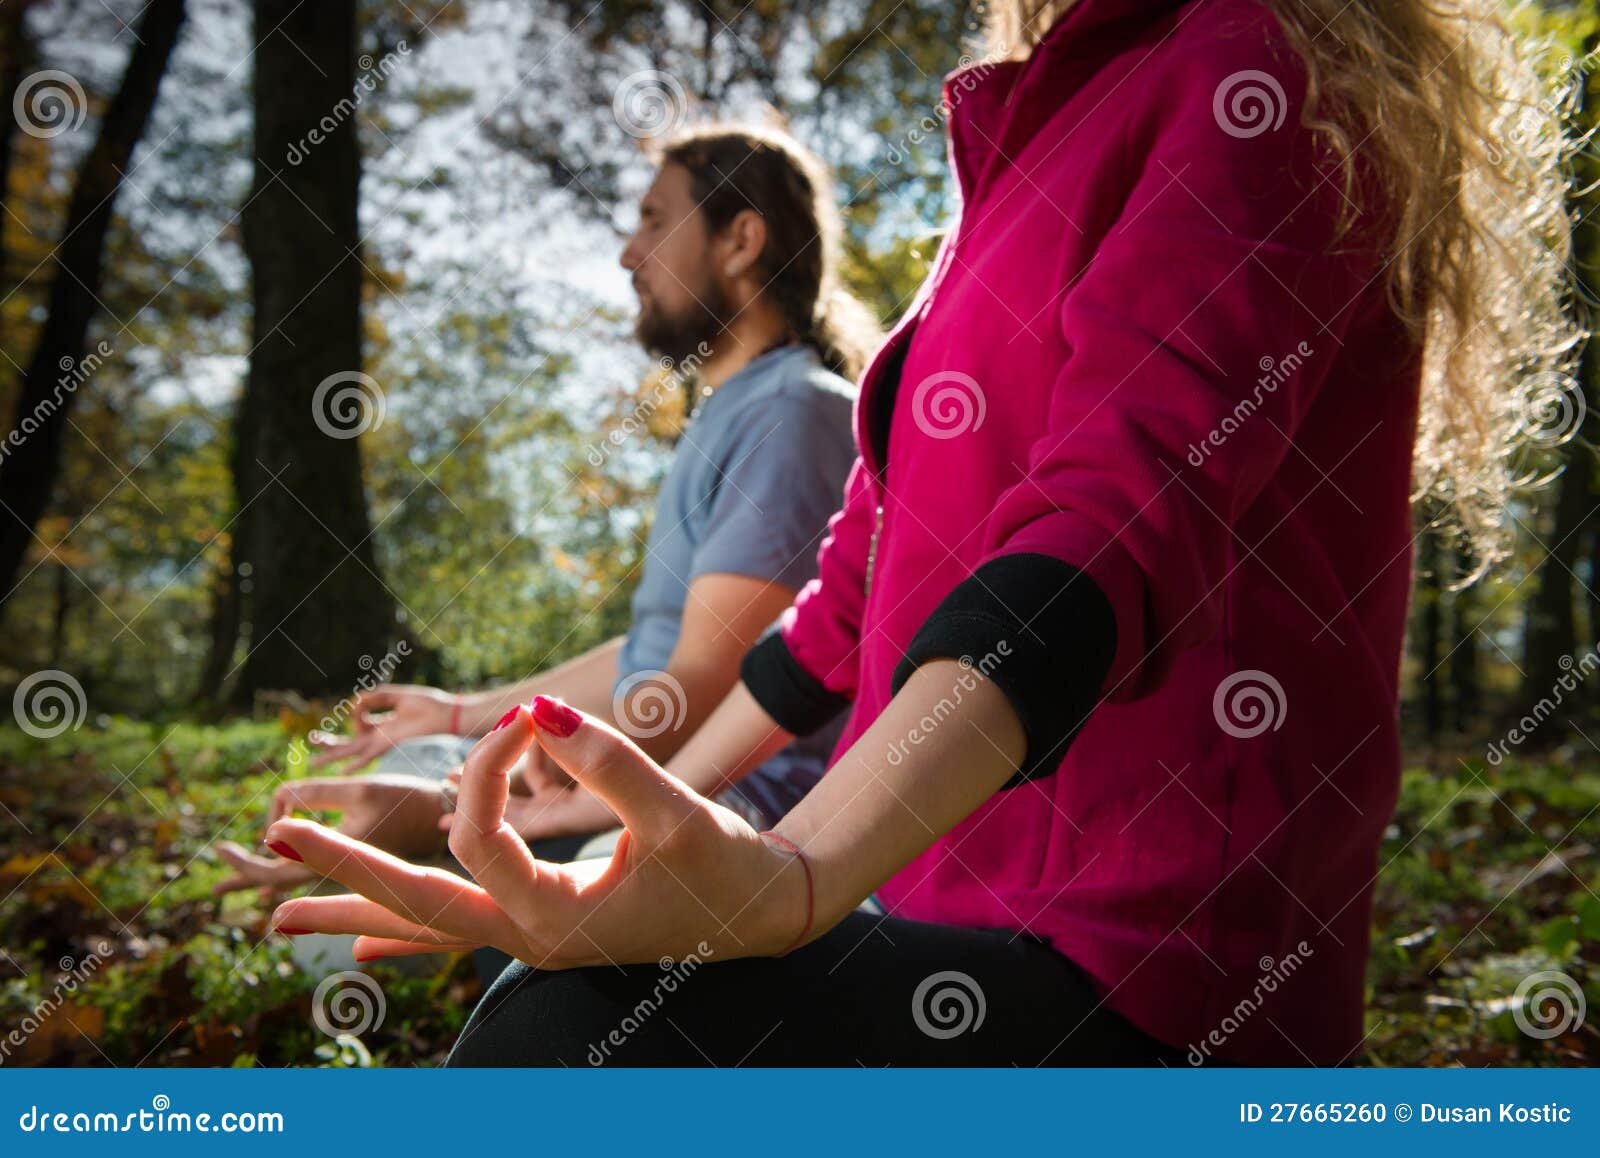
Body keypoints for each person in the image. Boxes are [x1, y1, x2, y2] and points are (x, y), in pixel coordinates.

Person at [256, 0, 1574, 1065]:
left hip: (1151, 974)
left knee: (571, 1032)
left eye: (651, 222)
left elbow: (1113, 522)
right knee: (553, 971)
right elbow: (829, 623)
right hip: (928, 911)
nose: (622, 253)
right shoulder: (1017, 145)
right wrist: (621, 840)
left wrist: (797, 873)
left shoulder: (1256, 58)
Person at [212, 124, 878, 896]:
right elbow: (655, 651)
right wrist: (465, 715)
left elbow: (698, 682)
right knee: (415, 762)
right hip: (654, 775)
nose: (631, 253)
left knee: (342, 916)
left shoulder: (792, 413)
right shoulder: (741, 409)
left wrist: (453, 804)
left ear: (741, 242)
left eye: (655, 221)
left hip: (733, 809)